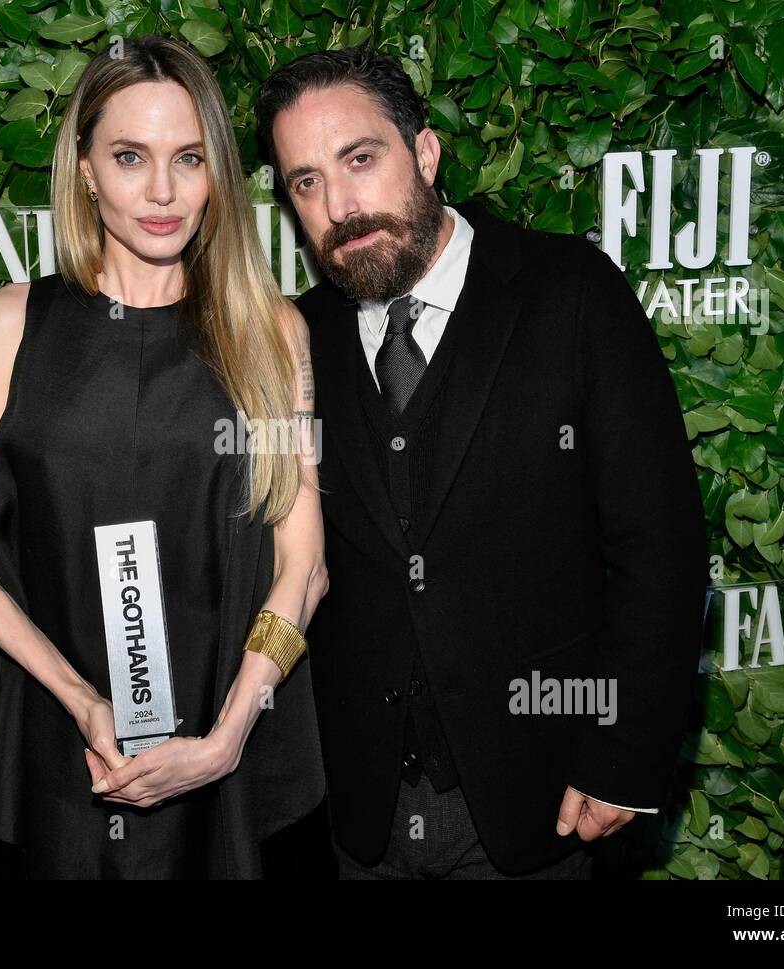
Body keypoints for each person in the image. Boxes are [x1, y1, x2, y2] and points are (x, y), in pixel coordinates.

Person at [254, 45, 708, 879]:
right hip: (359, 817)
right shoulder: (295, 337)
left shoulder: (571, 290)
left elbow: (662, 545)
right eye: (306, 182)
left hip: (539, 800)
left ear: (424, 153)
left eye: (361, 159)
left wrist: (624, 753)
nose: (341, 206)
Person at [0, 34, 327, 879]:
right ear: (83, 168)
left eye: (188, 158)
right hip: (54, 752)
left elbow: (304, 566)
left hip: (233, 757)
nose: (160, 191)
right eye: (128, 156)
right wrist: (80, 701)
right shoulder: (11, 323)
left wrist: (224, 740)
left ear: (218, 171)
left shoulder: (273, 332)